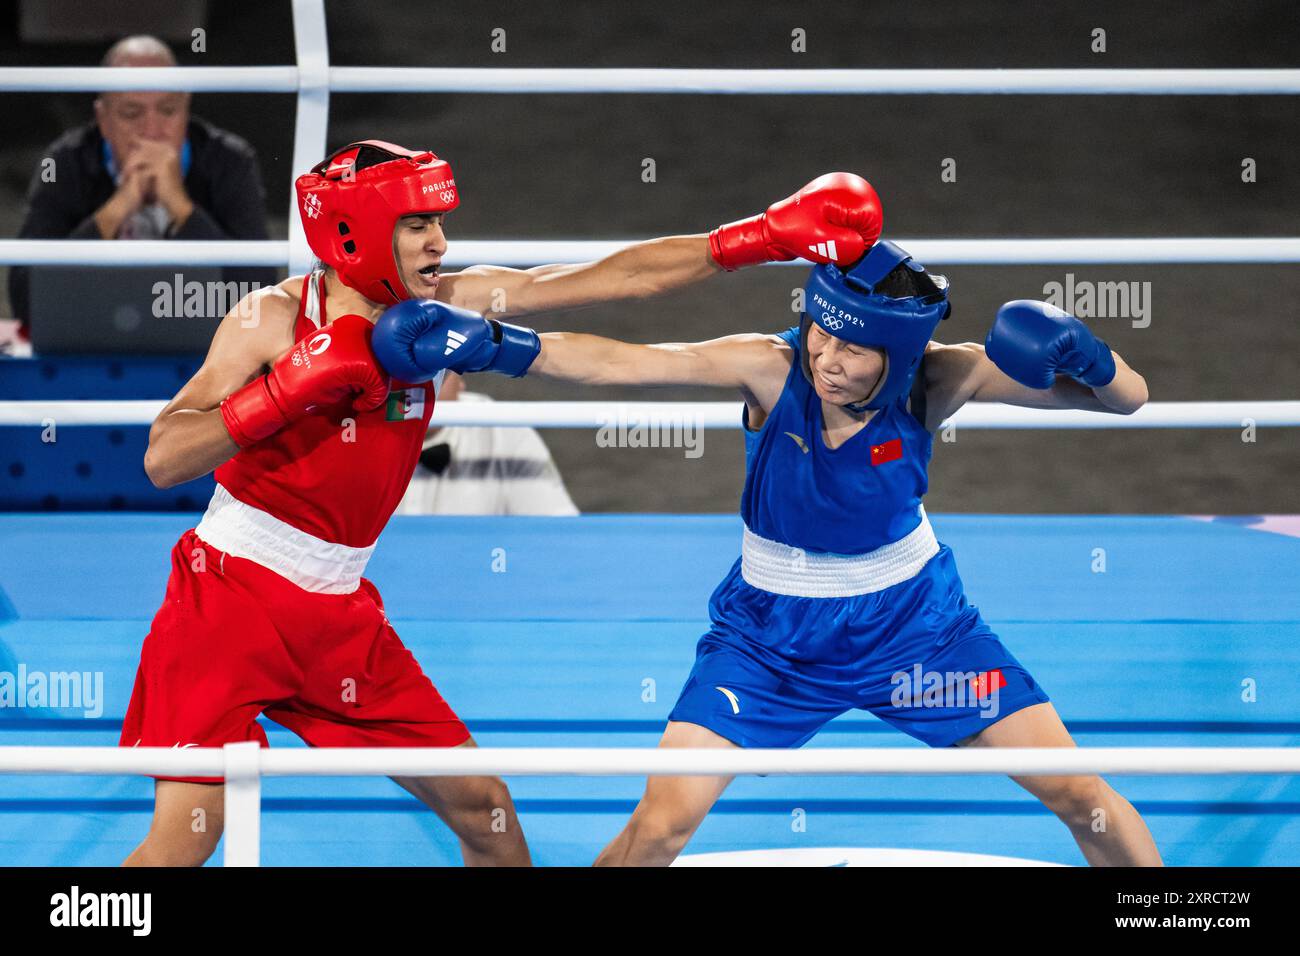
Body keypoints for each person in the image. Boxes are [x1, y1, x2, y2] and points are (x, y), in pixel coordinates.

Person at [122, 136, 884, 865]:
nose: (439, 242)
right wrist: (285, 391)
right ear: (357, 232)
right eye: (417, 223)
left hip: (337, 609)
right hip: (226, 603)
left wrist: (759, 238)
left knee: (485, 809)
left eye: (439, 221)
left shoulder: (443, 304)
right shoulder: (274, 320)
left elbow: (613, 277)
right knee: (185, 840)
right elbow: (163, 456)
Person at [372, 239, 1162, 867]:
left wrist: (1089, 355)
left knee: (1074, 787)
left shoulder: (941, 378)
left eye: (853, 352)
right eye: (822, 334)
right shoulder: (771, 365)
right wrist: (500, 346)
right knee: (660, 827)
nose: (827, 359)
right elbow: (628, 361)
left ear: (902, 353)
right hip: (768, 642)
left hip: (919, 631)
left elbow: (1129, 400)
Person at [7, 35, 274, 331]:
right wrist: (117, 208)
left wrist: (182, 209)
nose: (152, 131)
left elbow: (258, 299)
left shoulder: (230, 160)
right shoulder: (65, 162)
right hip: (94, 343)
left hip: (199, 353)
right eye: (131, 113)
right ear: (103, 119)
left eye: (168, 110)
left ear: (186, 109)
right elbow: (25, 300)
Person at [394, 372, 579, 516]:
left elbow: (557, 538)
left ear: (460, 378)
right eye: (400, 372)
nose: (417, 388)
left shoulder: (506, 432)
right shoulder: (364, 429)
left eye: (434, 372)